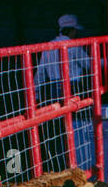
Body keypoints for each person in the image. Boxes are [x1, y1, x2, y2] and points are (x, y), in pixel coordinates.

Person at [34, 13, 93, 169]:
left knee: (59, 128)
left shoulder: (48, 46)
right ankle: (80, 161)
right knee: (77, 125)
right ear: (72, 30)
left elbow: (40, 73)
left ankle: (61, 164)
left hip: (54, 90)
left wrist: (36, 95)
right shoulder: (73, 45)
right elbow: (88, 64)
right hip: (74, 88)